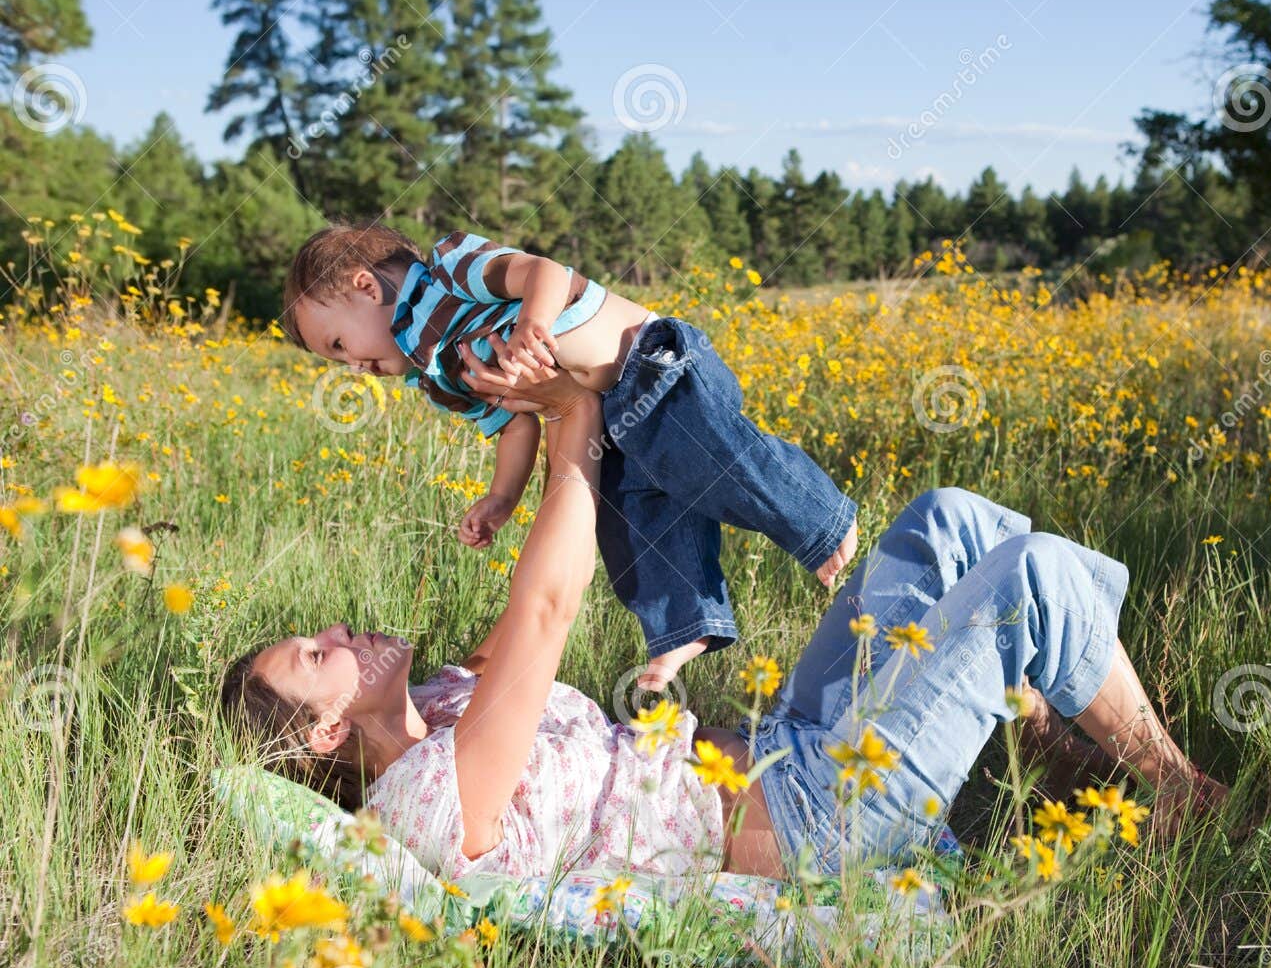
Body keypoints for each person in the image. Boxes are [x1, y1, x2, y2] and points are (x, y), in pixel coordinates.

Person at [220, 368, 1230, 884]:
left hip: (791, 741)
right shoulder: (428, 801)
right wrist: (576, 417)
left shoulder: (444, 699)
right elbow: (545, 609)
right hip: (821, 817)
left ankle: (1049, 734)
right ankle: (1180, 794)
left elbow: (518, 608)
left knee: (949, 519)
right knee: (1033, 574)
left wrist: (530, 410)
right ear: (325, 731)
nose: (344, 630)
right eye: (320, 655)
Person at [279, 222, 858, 691]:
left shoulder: (450, 269)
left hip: (652, 362)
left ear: (365, 285)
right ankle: (686, 627)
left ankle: (821, 519)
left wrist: (533, 319)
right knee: (634, 524)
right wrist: (503, 497)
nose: (352, 366)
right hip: (612, 416)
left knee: (708, 460)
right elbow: (513, 424)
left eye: (338, 345)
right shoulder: (441, 378)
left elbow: (546, 272)